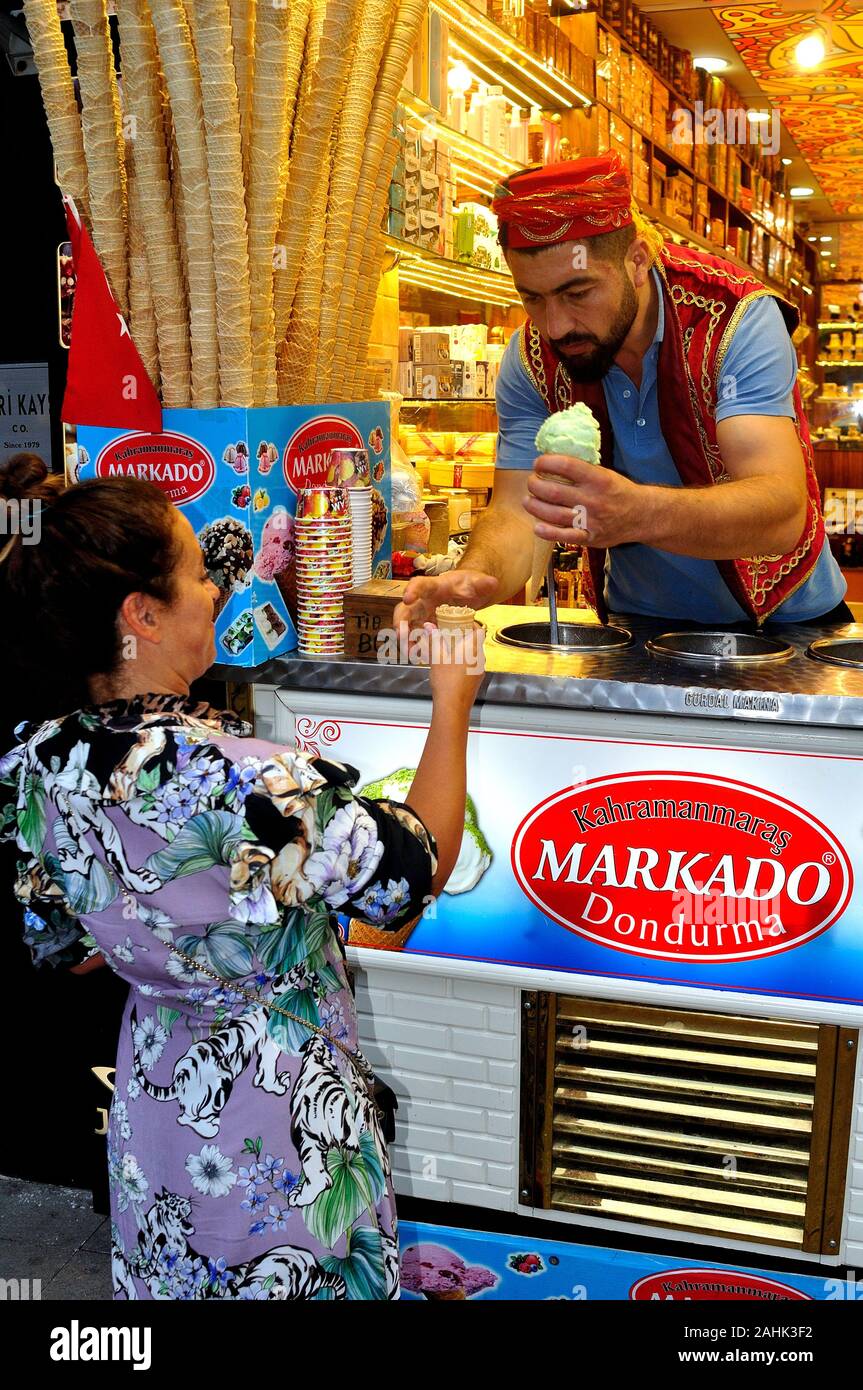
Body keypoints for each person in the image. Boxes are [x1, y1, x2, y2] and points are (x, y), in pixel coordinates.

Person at [0, 455, 484, 1300]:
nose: (217, 590)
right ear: (142, 615)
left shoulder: (37, 764)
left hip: (156, 1106)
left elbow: (61, 944)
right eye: (197, 574)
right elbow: (412, 871)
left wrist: (166, 928)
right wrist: (452, 700)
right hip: (282, 1116)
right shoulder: (246, 781)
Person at [396, 153, 850, 631]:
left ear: (637, 259)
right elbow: (516, 510)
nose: (555, 325)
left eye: (577, 293)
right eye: (532, 297)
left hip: (787, 623)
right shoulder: (529, 358)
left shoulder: (734, 318)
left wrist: (636, 513)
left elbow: (780, 515)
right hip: (638, 625)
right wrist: (477, 575)